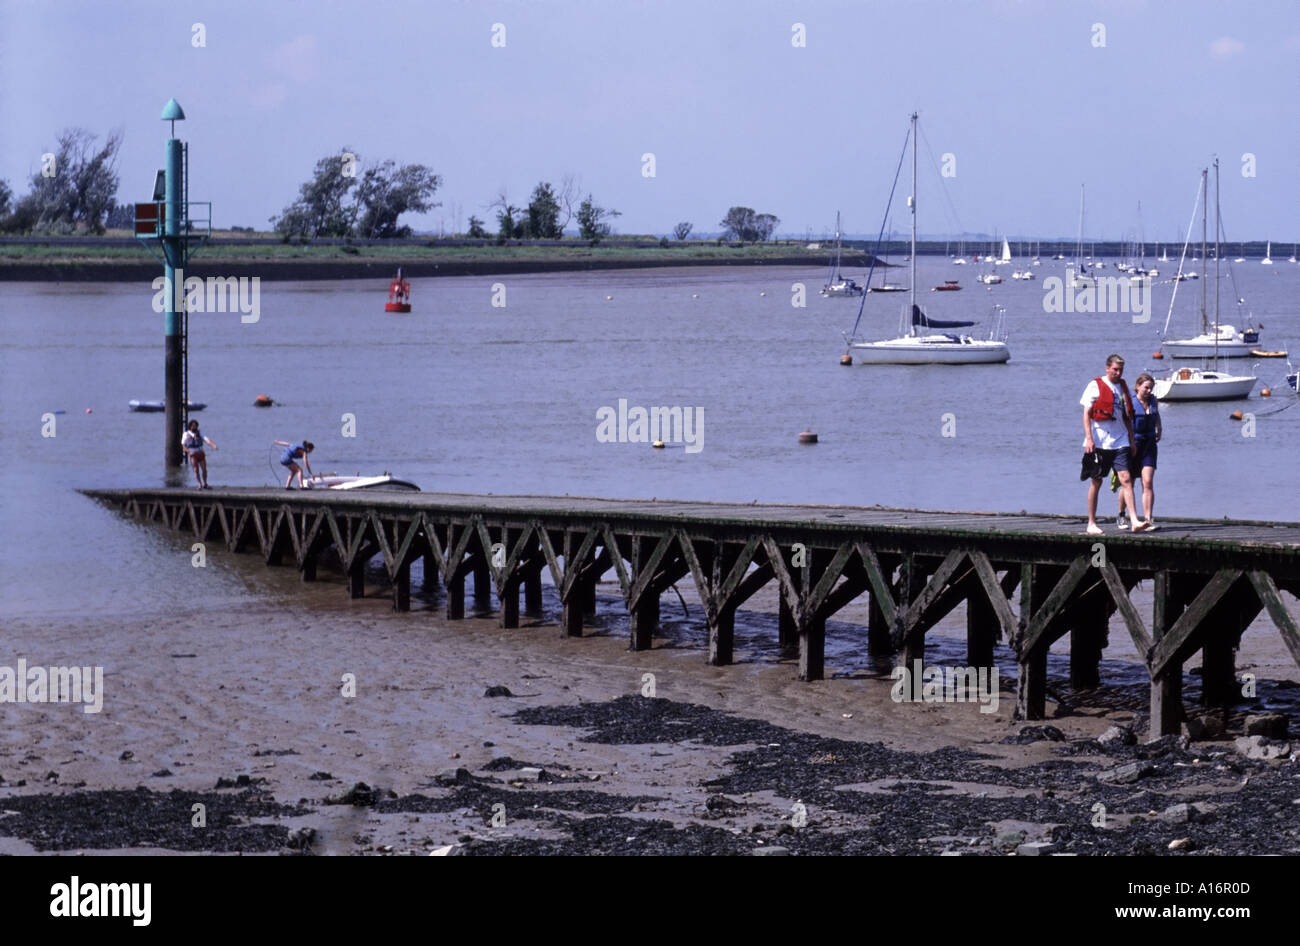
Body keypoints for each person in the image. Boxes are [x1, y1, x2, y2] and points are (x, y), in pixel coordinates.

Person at [1080, 354, 1147, 534]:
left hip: (1121, 440)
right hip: (1100, 441)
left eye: (1121, 370)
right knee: (1097, 481)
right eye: (1115, 369)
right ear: (1107, 368)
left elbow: (1126, 417)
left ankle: (1134, 520)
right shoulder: (1095, 385)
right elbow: (1086, 414)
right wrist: (1089, 438)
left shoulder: (1123, 387)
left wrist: (1131, 440)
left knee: (1126, 478)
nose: (1118, 373)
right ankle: (1091, 523)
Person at [1116, 372, 1161, 531]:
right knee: (1129, 483)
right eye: (1146, 388)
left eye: (1151, 388)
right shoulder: (1130, 402)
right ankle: (1122, 514)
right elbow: (1123, 422)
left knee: (1147, 481)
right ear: (1137, 387)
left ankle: (1148, 519)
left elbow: (1156, 415)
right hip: (1132, 444)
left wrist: (1159, 428)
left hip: (1149, 444)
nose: (1149, 391)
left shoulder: (1153, 400)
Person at [181, 419, 217, 490]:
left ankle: (205, 483)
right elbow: (183, 445)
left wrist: (213, 445)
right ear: (190, 426)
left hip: (200, 453)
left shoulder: (200, 432)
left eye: (195, 426)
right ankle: (199, 484)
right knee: (196, 470)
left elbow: (207, 440)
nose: (194, 427)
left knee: (204, 470)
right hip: (193, 454)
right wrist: (188, 451)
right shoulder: (186, 434)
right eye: (193, 426)